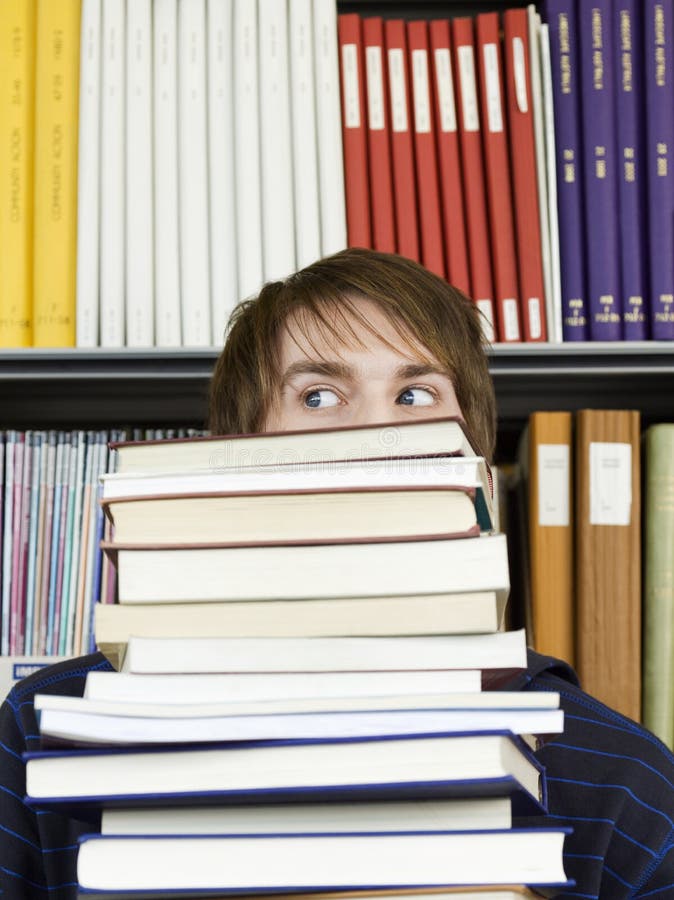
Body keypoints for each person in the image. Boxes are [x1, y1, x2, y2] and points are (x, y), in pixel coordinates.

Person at [1, 247, 673, 899]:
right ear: (240, 448)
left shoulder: (619, 779)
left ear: (474, 461)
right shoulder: (42, 736)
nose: (377, 435)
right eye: (318, 397)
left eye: (415, 395)